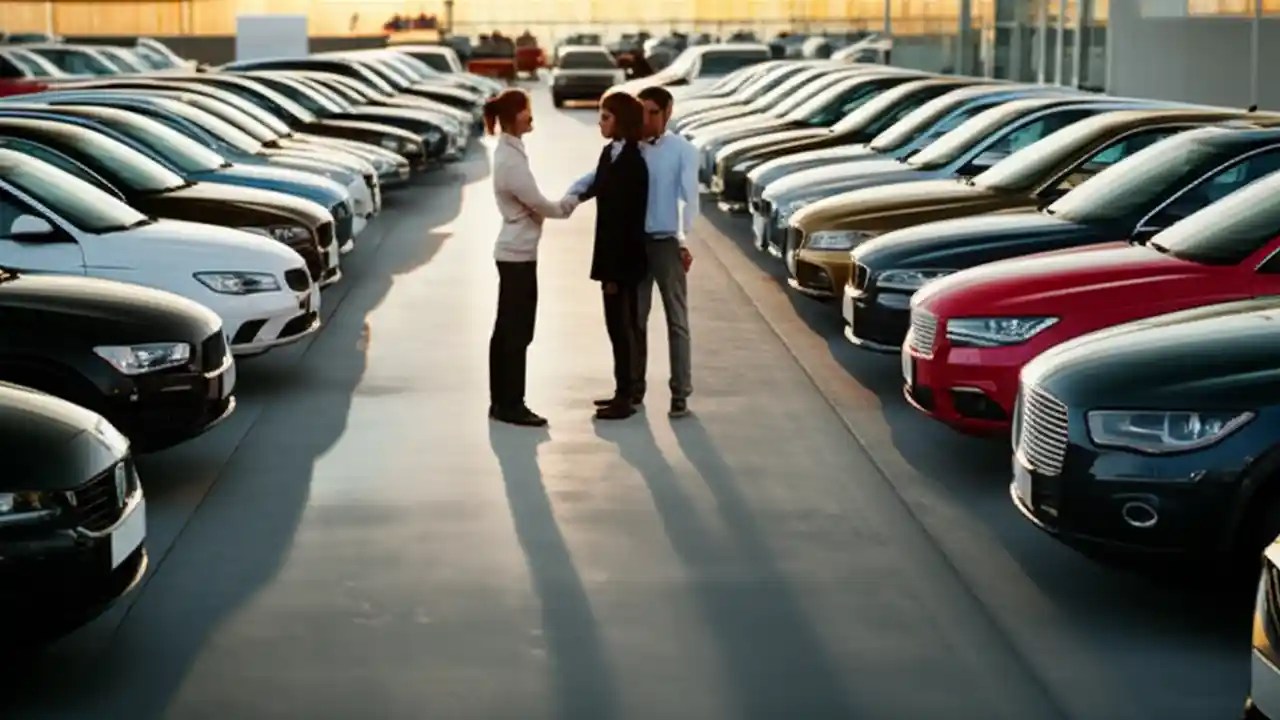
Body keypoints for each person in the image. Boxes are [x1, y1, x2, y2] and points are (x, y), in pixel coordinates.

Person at [569, 85, 697, 419]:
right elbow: (598, 177)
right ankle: (632, 390)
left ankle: (680, 393)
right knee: (634, 321)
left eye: (653, 112)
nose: (647, 118)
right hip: (636, 243)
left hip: (667, 242)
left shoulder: (682, 151)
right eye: (642, 112)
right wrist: (569, 198)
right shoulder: (630, 149)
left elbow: (689, 201)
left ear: (667, 113)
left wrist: (683, 241)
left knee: (676, 321)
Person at [485, 89, 579, 427]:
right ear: (513, 117)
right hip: (517, 255)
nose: (531, 115)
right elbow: (538, 202)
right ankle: (511, 404)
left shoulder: (512, 151)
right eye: (526, 110)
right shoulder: (510, 160)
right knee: (517, 332)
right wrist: (570, 203)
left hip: (517, 252)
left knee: (508, 330)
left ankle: (502, 401)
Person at [576, 93, 648, 420]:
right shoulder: (610, 154)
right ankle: (623, 389)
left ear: (621, 121)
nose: (600, 122)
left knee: (623, 327)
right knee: (615, 326)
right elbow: (595, 188)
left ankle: (627, 394)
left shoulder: (633, 162)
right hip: (609, 257)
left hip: (623, 261)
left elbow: (628, 221)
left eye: (606, 117)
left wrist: (614, 274)